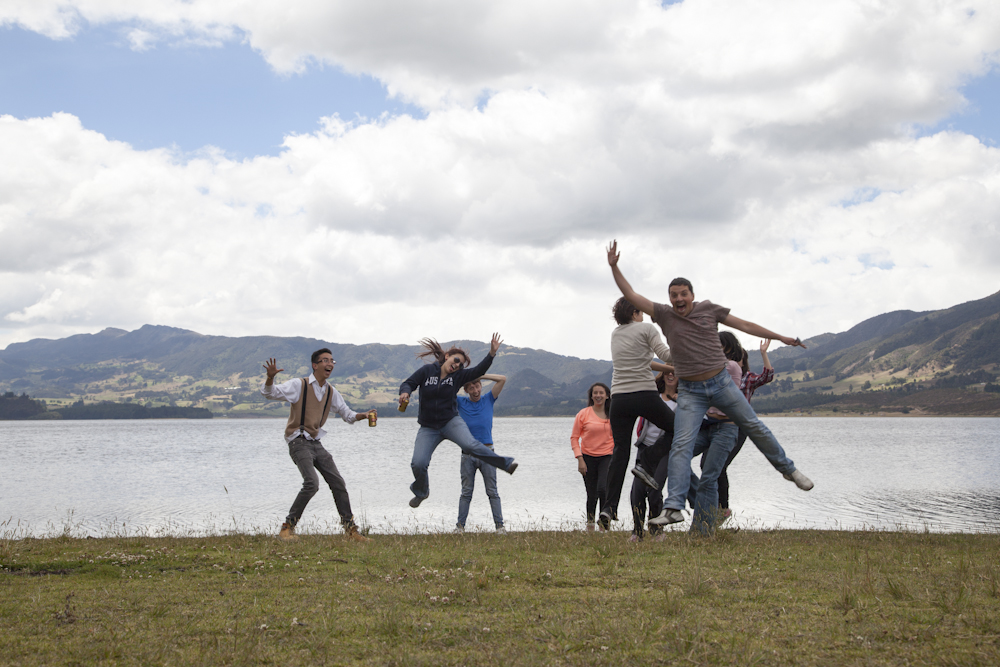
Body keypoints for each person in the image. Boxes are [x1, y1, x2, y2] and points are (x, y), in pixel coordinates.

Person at [606, 240, 813, 530]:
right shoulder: (663, 315)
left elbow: (746, 326)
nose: (679, 299)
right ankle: (674, 507)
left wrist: (781, 338)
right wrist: (615, 267)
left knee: (754, 426)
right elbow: (629, 293)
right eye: (673, 295)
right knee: (680, 444)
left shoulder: (708, 309)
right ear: (669, 298)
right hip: (690, 390)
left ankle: (788, 470)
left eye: (683, 294)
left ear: (692, 294)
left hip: (719, 384)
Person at [261, 349, 376, 543]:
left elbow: (347, 415)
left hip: (316, 442)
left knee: (338, 483)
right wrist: (270, 378)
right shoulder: (299, 385)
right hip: (297, 441)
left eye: (332, 361)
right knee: (311, 484)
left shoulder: (331, 391)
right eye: (325, 360)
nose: (329, 364)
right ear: (315, 365)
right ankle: (286, 528)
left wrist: (363, 415)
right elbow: (269, 393)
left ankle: (351, 531)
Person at [399, 334, 518, 509]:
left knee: (471, 445)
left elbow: (478, 371)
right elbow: (409, 382)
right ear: (447, 356)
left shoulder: (458, 377)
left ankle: (505, 463)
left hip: (450, 422)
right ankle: (421, 491)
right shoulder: (427, 371)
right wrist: (405, 392)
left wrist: (491, 354)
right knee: (418, 463)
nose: (457, 365)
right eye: (456, 360)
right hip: (429, 427)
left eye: (460, 364)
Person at [597, 297, 674, 532]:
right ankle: (648, 461)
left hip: (619, 398)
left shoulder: (616, 334)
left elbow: (645, 360)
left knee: (620, 451)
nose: (642, 316)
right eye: (640, 312)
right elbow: (665, 354)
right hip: (644, 394)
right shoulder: (647, 328)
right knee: (678, 428)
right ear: (634, 312)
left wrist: (668, 368)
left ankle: (608, 507)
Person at [708, 335, 776, 520]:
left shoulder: (748, 379)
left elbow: (768, 376)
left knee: (719, 466)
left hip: (738, 428)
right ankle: (711, 508)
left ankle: (723, 509)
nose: (734, 362)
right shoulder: (719, 376)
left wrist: (763, 354)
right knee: (709, 465)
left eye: (738, 358)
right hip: (717, 425)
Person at [455, 373, 508, 534]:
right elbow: (448, 390)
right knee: (466, 492)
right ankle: (460, 527)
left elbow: (502, 379)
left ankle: (499, 526)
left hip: (487, 452)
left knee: (492, 491)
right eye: (471, 387)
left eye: (477, 386)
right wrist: (461, 378)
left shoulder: (488, 399)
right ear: (466, 390)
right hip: (467, 454)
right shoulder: (460, 402)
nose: (475, 390)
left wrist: (481, 374)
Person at [571, 382, 614, 531]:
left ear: (607, 395)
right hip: (587, 457)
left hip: (607, 457)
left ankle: (604, 525)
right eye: (595, 393)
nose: (598, 396)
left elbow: (619, 435)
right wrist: (579, 459)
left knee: (603, 489)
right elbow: (574, 438)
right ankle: (590, 525)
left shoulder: (612, 413)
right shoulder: (583, 414)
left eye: (601, 393)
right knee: (591, 493)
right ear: (591, 396)